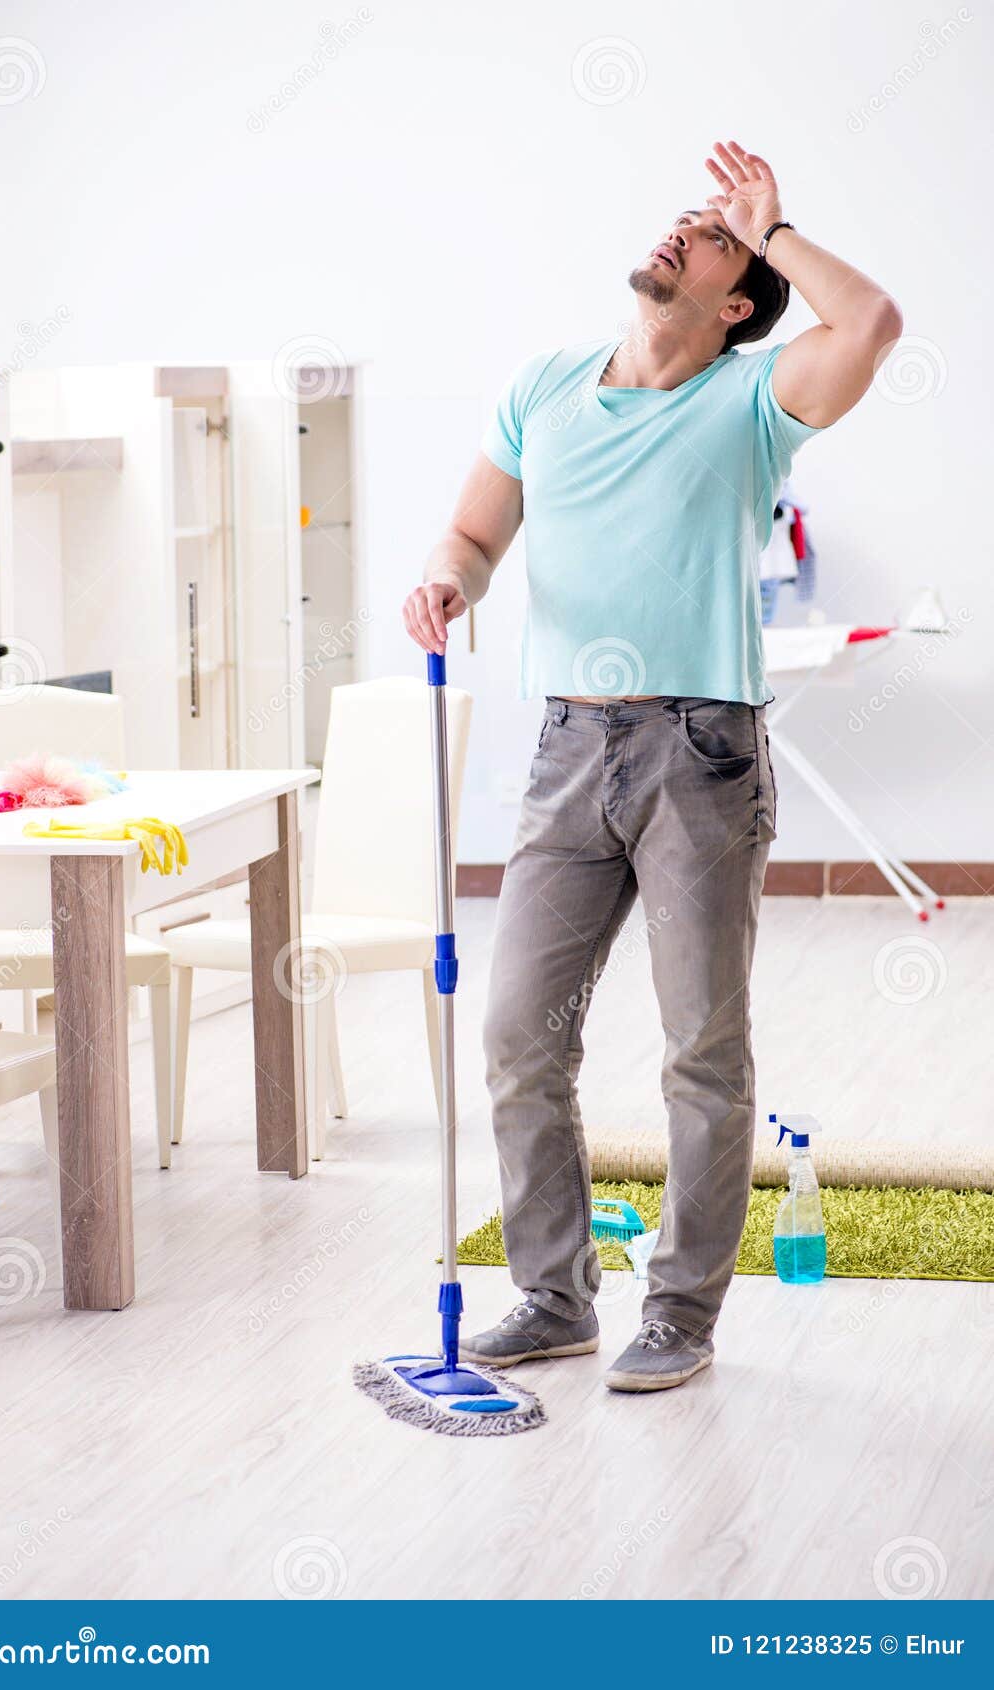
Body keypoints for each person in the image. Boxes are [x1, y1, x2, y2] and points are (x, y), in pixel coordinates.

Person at [402, 141, 901, 1392]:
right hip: (567, 745)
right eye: (690, 219)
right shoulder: (546, 385)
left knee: (701, 1050)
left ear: (738, 301)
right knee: (519, 1032)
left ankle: (680, 1311)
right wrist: (445, 583)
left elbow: (876, 322)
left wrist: (773, 227)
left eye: (714, 238)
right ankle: (556, 1297)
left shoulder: (749, 401)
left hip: (701, 753)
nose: (686, 232)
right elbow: (474, 531)